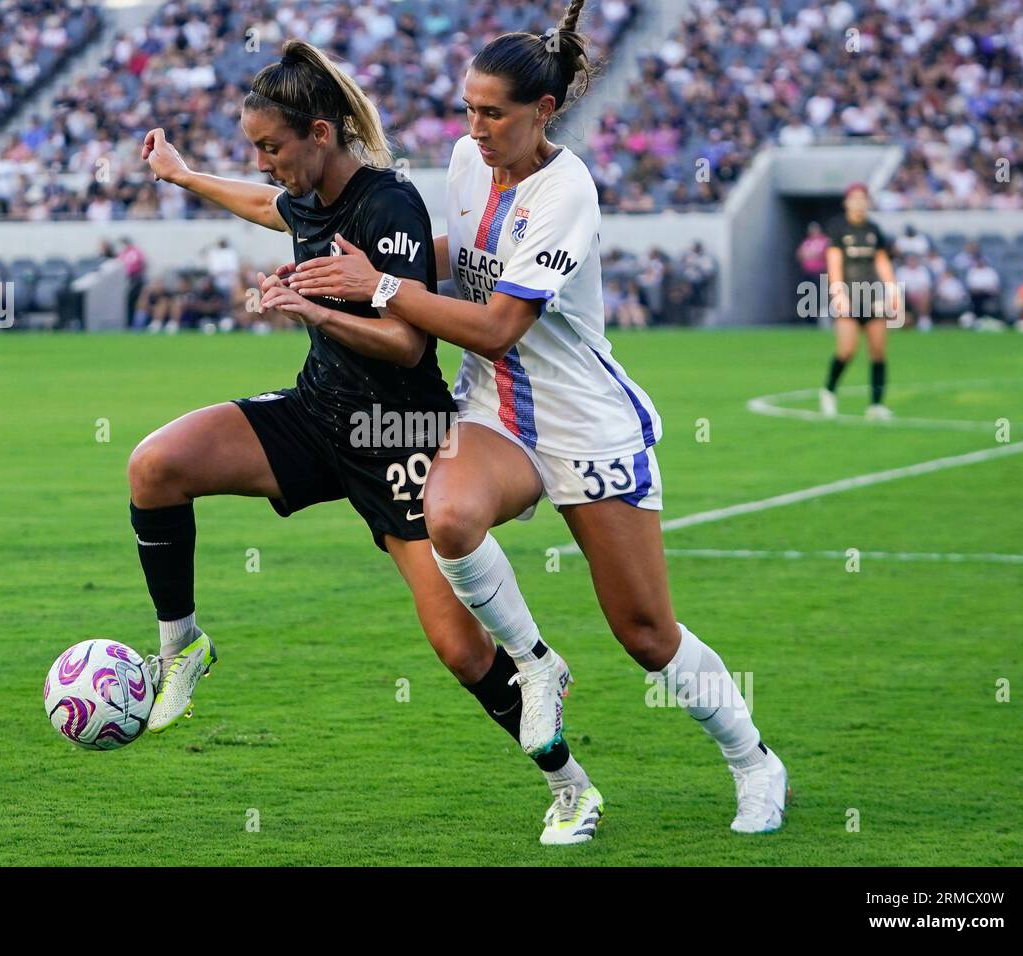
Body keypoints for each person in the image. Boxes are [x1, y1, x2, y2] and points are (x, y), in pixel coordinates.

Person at [282, 0, 788, 836]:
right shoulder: (464, 162)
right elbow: (462, 257)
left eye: (493, 113)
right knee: (448, 513)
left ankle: (753, 762)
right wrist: (391, 264)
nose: (474, 127)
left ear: (543, 112)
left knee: (645, 632)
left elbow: (497, 322)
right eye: (467, 108)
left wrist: (378, 288)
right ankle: (535, 665)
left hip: (585, 419)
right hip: (495, 408)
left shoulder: (568, 190)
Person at [133, 38, 598, 844]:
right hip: (320, 417)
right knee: (156, 465)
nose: (264, 163)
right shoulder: (305, 192)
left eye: (271, 147)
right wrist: (183, 175)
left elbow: (408, 346)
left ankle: (570, 787)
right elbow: (265, 205)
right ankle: (182, 648)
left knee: (460, 650)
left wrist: (312, 312)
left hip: (401, 437)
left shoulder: (389, 206)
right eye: (255, 149)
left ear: (321, 134)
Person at [819, 183, 898, 420]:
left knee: (877, 350)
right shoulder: (838, 228)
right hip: (849, 296)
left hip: (872, 296)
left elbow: (882, 262)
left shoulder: (874, 229)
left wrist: (892, 290)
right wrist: (838, 293)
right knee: (847, 350)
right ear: (846, 202)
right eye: (854, 198)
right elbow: (833, 262)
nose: (859, 203)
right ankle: (829, 391)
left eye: (863, 198)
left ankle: (875, 405)